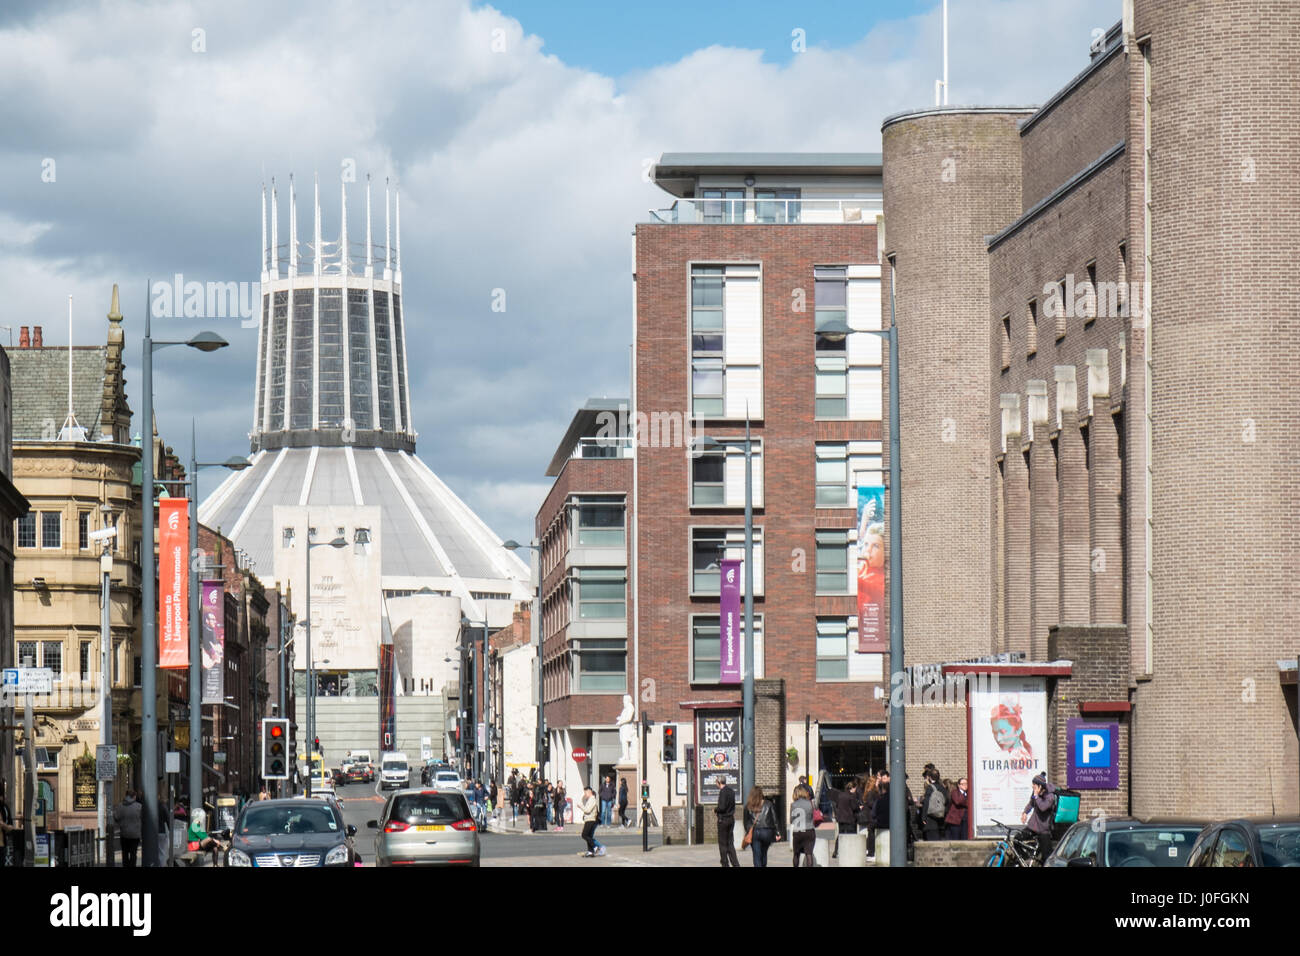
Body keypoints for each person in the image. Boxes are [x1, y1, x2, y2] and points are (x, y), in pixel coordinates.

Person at [1021, 773, 1056, 864]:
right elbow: (1031, 803)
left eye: (1034, 785)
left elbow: (1043, 807)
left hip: (1043, 830)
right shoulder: (1035, 793)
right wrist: (1025, 812)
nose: (1032, 786)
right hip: (1032, 827)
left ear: (1040, 786)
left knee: (1046, 857)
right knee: (1017, 839)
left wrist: (1036, 796)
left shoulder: (1050, 796)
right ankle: (1025, 859)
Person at [826, 778, 861, 860]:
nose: (855, 791)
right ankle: (850, 851)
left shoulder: (840, 795)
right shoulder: (851, 796)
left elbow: (837, 806)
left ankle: (836, 851)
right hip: (849, 818)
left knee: (840, 835)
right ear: (852, 788)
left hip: (841, 818)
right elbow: (854, 807)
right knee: (851, 835)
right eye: (855, 789)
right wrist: (859, 807)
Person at [744, 787, 779, 868]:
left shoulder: (748, 806)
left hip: (755, 832)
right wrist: (777, 832)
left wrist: (748, 831)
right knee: (764, 852)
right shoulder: (768, 804)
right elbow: (775, 819)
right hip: (767, 831)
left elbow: (746, 821)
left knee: (756, 854)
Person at [714, 776, 739, 867]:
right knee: (730, 843)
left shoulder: (723, 792)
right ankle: (735, 864)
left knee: (722, 844)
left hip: (723, 820)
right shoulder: (731, 791)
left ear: (719, 782)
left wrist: (716, 809)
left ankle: (725, 863)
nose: (716, 784)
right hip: (731, 819)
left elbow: (722, 807)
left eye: (716, 782)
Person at [113, 790, 143, 867]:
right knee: (133, 853)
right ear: (134, 796)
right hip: (135, 835)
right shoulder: (139, 806)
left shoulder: (120, 806)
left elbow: (116, 817)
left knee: (125, 853)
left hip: (124, 833)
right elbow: (143, 818)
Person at [789, 783, 816, 868]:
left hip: (798, 831)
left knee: (796, 853)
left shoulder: (793, 805)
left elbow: (791, 820)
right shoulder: (810, 803)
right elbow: (813, 816)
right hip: (809, 830)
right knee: (809, 854)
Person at [921, 770, 948, 841]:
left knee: (931, 840)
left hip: (930, 819)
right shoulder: (943, 788)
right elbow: (946, 802)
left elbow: (927, 803)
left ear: (930, 777)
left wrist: (923, 817)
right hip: (941, 817)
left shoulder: (930, 788)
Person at [577, 785, 601, 857]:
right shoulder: (589, 799)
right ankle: (590, 851)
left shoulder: (592, 799)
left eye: (585, 793)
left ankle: (595, 847)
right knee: (589, 836)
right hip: (588, 819)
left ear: (589, 792)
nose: (585, 794)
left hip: (590, 820)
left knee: (584, 835)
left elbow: (587, 810)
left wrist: (580, 806)